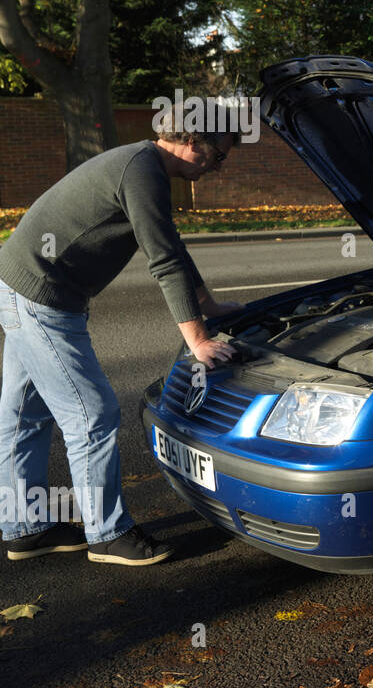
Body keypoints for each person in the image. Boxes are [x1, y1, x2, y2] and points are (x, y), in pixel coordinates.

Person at [0, 123, 243, 566]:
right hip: (41, 296)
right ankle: (107, 534)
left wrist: (207, 303)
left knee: (24, 415)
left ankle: (25, 529)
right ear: (192, 142)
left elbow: (170, 247)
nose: (218, 168)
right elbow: (164, 262)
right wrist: (199, 340)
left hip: (22, 284)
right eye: (219, 156)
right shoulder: (141, 171)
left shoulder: (143, 166)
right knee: (92, 415)